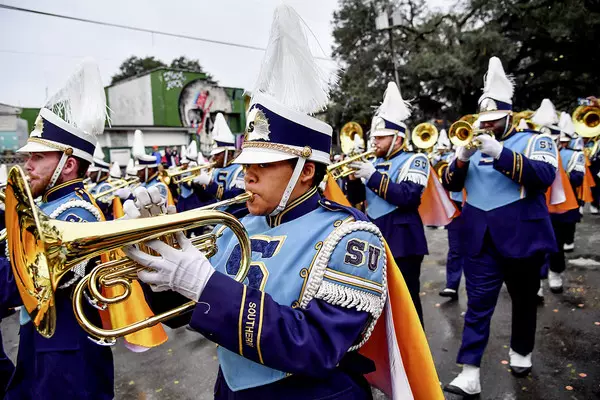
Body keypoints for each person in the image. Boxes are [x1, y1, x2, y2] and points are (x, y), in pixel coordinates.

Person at [123, 6, 388, 399]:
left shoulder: (352, 238)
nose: (248, 174)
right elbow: (182, 313)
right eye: (247, 163)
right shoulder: (237, 224)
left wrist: (206, 284)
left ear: (306, 170)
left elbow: (315, 348)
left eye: (263, 164)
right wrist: (158, 255)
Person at [442, 57, 558, 397]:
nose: (488, 126)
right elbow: (449, 184)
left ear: (509, 115)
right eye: (485, 120)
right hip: (479, 238)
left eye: (494, 120)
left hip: (523, 235)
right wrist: (460, 159)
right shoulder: (472, 142)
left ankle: (521, 351)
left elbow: (544, 177)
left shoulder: (537, 141)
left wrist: (503, 153)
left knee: (523, 300)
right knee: (477, 304)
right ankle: (469, 370)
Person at [3, 59, 114, 399]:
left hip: (68, 361)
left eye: (38, 157)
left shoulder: (76, 214)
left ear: (67, 165)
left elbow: (16, 283)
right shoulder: (47, 207)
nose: (28, 164)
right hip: (42, 348)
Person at [345, 81, 429, 326]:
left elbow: (407, 197)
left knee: (408, 302)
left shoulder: (416, 159)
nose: (376, 142)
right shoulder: (372, 162)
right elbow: (356, 200)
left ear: (398, 138)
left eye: (382, 137)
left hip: (405, 242)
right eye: (375, 137)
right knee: (374, 301)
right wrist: (353, 179)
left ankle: (415, 355)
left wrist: (371, 175)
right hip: (375, 239)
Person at [546, 112, 585, 292]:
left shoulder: (575, 155)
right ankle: (537, 279)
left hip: (562, 204)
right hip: (539, 204)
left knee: (556, 243)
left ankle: (555, 272)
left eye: (560, 139)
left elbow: (577, 178)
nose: (559, 142)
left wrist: (557, 172)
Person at [193, 112, 247, 217]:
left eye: (218, 154)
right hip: (218, 216)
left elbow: (236, 198)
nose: (214, 158)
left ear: (229, 153)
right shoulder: (215, 170)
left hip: (235, 217)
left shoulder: (240, 170)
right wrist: (197, 186)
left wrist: (210, 184)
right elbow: (205, 199)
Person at [132, 129, 173, 205]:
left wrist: (129, 197)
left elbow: (154, 208)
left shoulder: (159, 186)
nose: (138, 174)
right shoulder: (144, 184)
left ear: (150, 170)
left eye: (140, 171)